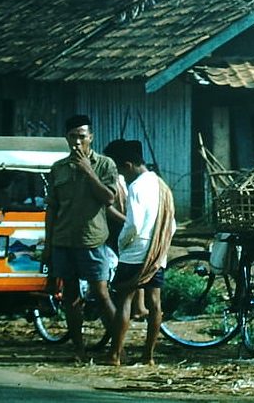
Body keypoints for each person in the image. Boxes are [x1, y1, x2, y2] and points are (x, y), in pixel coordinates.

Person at [44, 114, 119, 361]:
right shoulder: (58, 168)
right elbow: (52, 208)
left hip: (92, 240)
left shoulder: (105, 165)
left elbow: (109, 198)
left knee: (101, 293)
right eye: (73, 136)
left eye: (82, 136)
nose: (77, 141)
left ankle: (118, 350)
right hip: (63, 240)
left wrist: (87, 170)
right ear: (66, 138)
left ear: (91, 138)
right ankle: (79, 350)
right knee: (71, 297)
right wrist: (48, 246)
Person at [102, 139, 175, 367]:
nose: (122, 177)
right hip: (157, 253)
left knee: (125, 300)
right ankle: (148, 356)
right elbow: (172, 224)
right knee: (155, 304)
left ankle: (114, 355)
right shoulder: (162, 185)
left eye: (120, 171)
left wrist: (122, 244)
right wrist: (160, 248)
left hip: (135, 251)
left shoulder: (136, 187)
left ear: (128, 165)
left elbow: (132, 225)